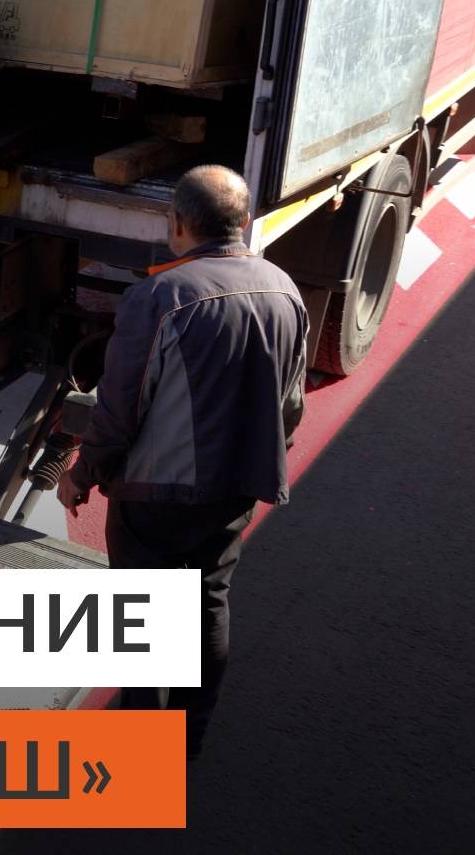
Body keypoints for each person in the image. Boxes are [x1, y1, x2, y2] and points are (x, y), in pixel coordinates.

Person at [56, 164, 308, 759]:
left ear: (176, 225)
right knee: (208, 602)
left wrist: (82, 474)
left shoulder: (160, 298)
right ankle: (189, 737)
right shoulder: (284, 290)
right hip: (235, 488)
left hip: (156, 495)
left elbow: (120, 411)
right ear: (244, 221)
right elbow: (290, 404)